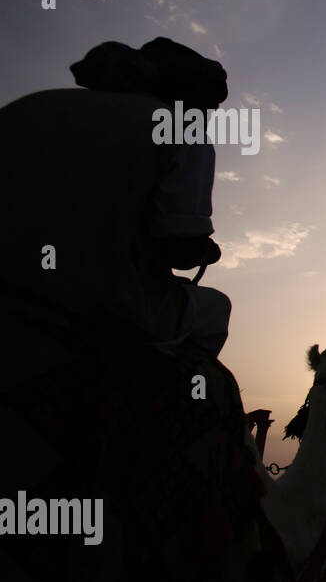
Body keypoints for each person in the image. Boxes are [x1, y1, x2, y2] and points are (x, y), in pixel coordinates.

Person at [0, 37, 232, 357]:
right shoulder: (180, 129)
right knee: (216, 308)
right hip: (89, 299)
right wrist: (205, 251)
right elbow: (180, 251)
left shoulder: (32, 104)